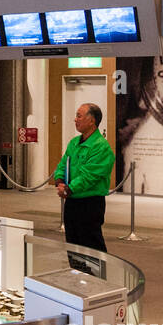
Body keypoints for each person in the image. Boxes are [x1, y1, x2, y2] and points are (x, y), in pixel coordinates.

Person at [54, 102, 116, 258]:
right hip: (72, 202)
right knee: (73, 243)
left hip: (90, 204)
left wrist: (69, 189)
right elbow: (63, 164)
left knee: (91, 244)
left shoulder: (101, 147)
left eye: (79, 116)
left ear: (92, 120)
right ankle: (77, 276)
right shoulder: (74, 143)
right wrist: (60, 181)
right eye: (76, 115)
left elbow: (90, 176)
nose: (75, 119)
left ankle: (97, 280)